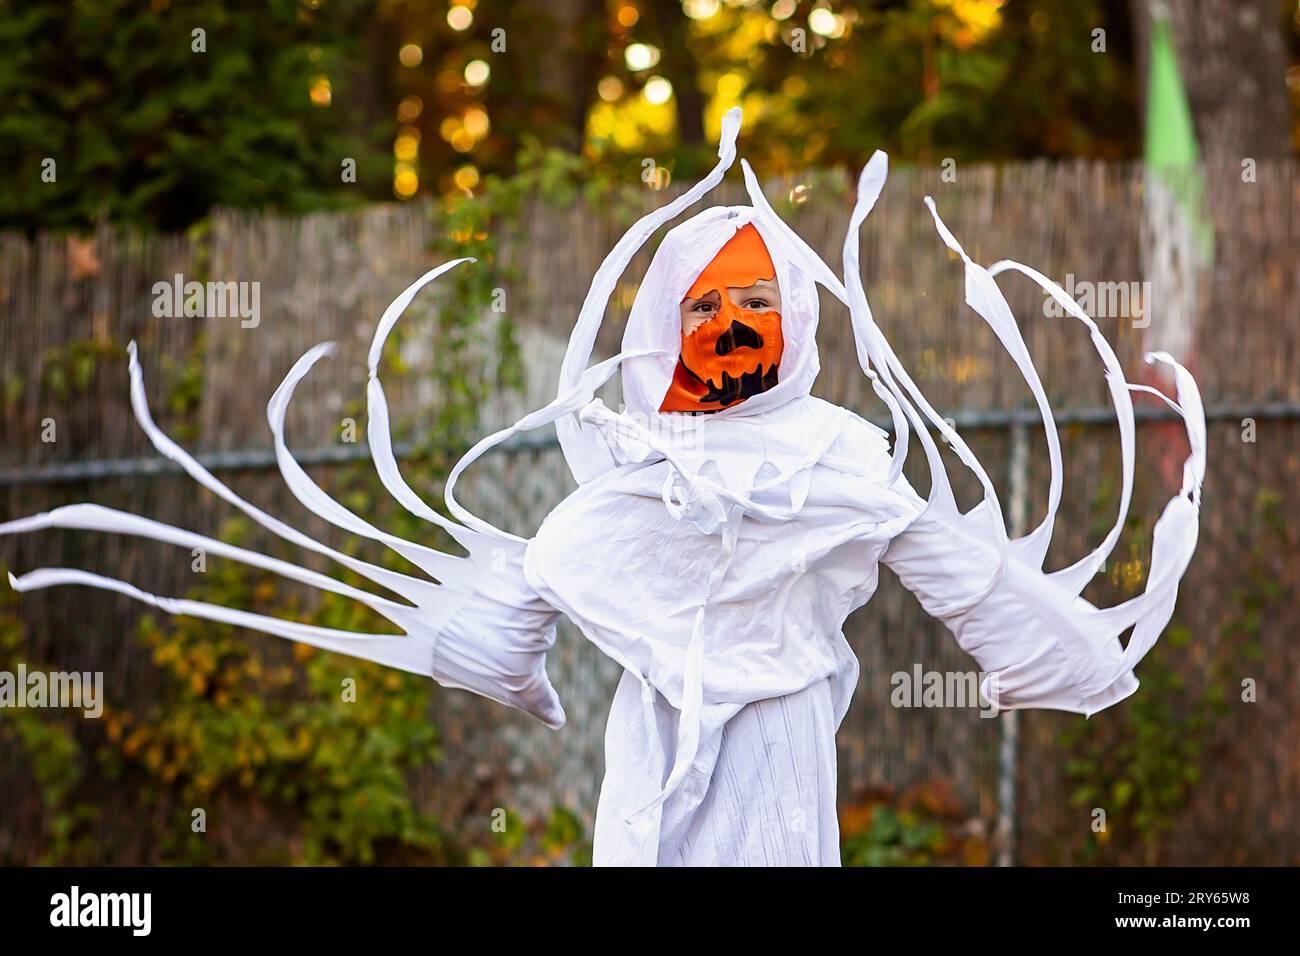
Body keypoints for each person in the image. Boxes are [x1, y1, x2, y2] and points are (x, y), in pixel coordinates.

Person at [0, 109, 1206, 866]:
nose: (733, 326)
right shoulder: (630, 470)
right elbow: (552, 564)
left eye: (755, 306)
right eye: (705, 307)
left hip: (784, 745)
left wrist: (1076, 651)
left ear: (793, 323)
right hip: (655, 738)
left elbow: (956, 567)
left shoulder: (838, 456)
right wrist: (500, 655)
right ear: (663, 328)